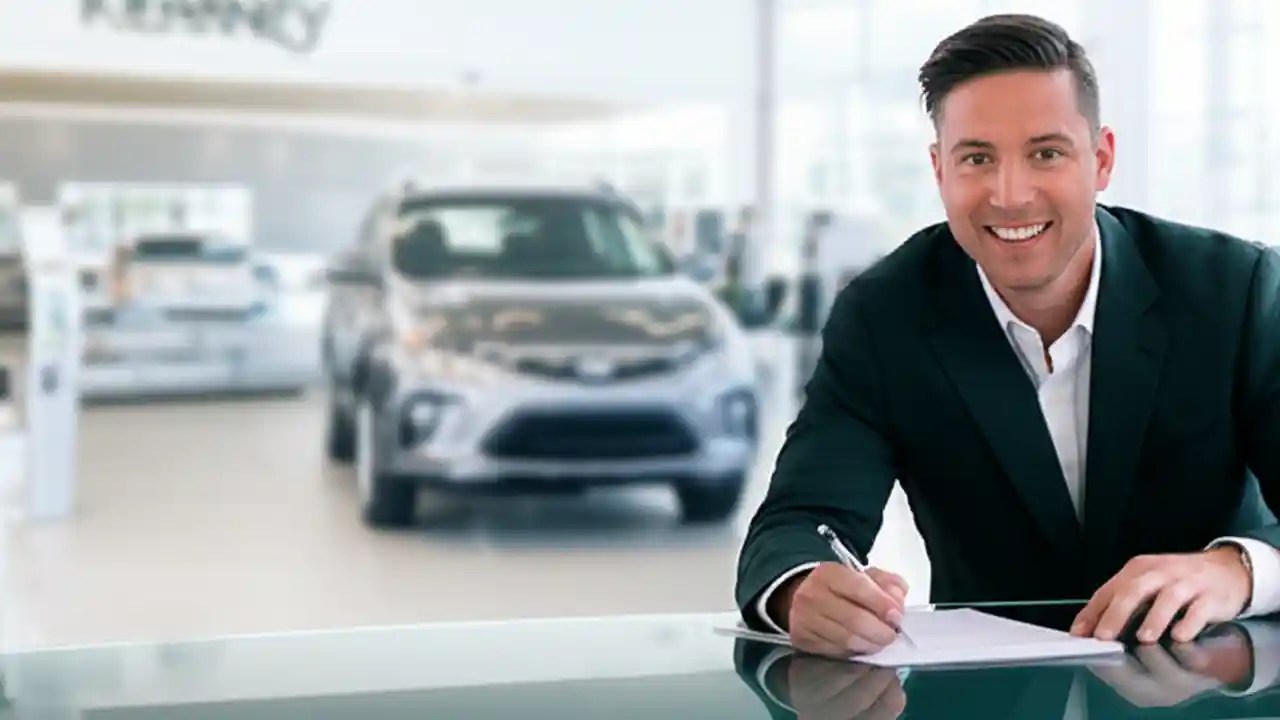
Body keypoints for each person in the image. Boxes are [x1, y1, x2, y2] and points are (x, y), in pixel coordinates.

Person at [736, 13, 1280, 659]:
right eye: (976, 159)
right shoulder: (884, 316)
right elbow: (797, 524)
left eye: (1046, 153)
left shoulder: (1232, 290)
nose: (1010, 194)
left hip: (1208, 684)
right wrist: (802, 591)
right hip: (993, 693)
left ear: (1101, 159)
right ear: (939, 170)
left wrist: (1237, 572)